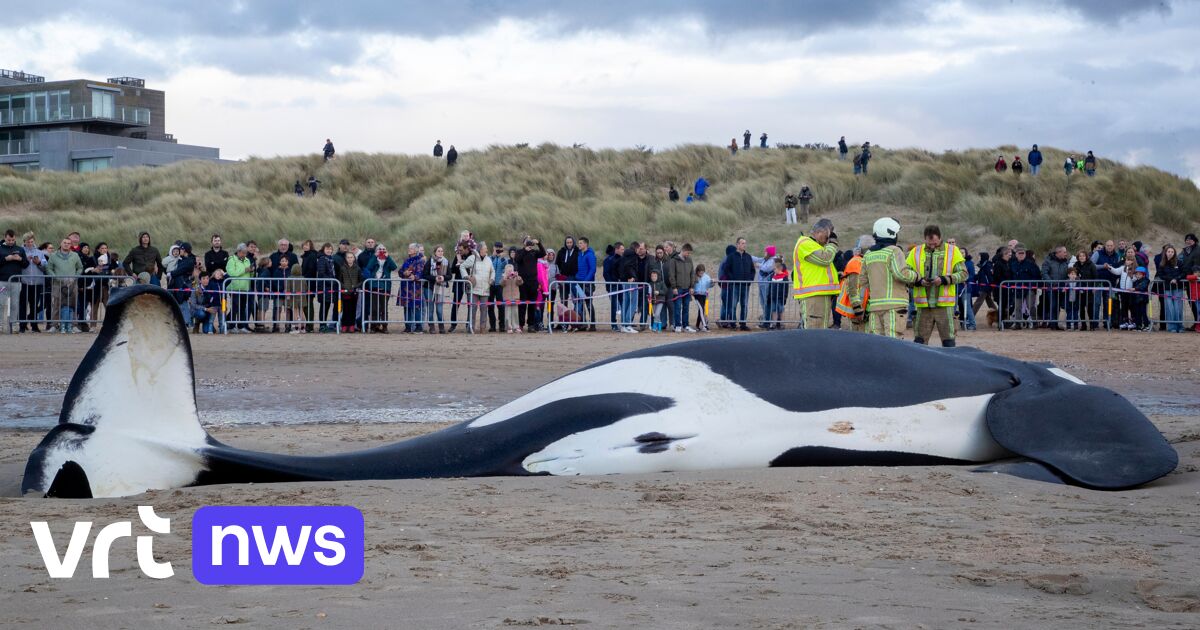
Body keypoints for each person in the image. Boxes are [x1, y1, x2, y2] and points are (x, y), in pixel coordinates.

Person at [906, 225, 966, 346]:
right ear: (924, 239)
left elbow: (964, 274)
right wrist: (919, 281)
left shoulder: (953, 251)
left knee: (949, 342)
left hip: (944, 306)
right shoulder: (915, 252)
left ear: (940, 237)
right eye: (929, 243)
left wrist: (944, 280)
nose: (932, 246)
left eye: (935, 243)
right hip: (923, 306)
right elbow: (906, 274)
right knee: (919, 342)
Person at [860, 218, 918, 338]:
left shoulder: (868, 254)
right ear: (891, 234)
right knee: (893, 343)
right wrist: (916, 276)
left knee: (877, 344)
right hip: (894, 306)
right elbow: (901, 274)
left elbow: (863, 280)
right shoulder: (894, 251)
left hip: (875, 306)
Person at [792, 219, 840, 330]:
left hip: (820, 295)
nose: (828, 240)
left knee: (821, 332)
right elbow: (826, 259)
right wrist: (833, 243)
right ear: (819, 232)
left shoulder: (816, 246)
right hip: (813, 296)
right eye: (827, 236)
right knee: (813, 332)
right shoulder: (805, 243)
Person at [835, 236, 871, 333]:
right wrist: (858, 310)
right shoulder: (856, 263)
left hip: (864, 309)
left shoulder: (864, 262)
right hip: (858, 312)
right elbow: (852, 290)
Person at [721, 237, 758, 331]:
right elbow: (726, 269)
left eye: (745, 243)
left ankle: (743, 324)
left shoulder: (748, 257)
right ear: (737, 245)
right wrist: (732, 279)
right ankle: (733, 324)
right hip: (735, 285)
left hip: (745, 286)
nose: (744, 245)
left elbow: (752, 270)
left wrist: (750, 280)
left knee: (744, 305)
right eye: (742, 243)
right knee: (733, 305)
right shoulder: (731, 256)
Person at [47, 237, 83, 333]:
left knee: (74, 304)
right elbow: (49, 269)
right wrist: (56, 277)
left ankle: (74, 325)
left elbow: (80, 268)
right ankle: (54, 325)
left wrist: (74, 278)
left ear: (70, 245)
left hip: (72, 284)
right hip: (57, 284)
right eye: (64, 242)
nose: (66, 244)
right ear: (61, 243)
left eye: (68, 243)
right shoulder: (53, 256)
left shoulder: (75, 255)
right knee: (56, 304)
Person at [363, 244, 397, 333]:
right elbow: (368, 267)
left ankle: (384, 326)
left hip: (385, 286)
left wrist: (388, 257)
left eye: (383, 249)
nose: (382, 250)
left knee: (384, 308)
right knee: (374, 308)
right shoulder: (374, 259)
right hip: (374, 285)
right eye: (380, 249)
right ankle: (374, 326)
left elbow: (394, 267)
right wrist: (375, 256)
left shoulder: (388, 260)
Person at [514, 237, 545, 331]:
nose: (529, 244)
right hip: (523, 282)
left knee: (532, 305)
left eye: (530, 242)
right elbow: (517, 260)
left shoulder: (534, 252)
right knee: (522, 304)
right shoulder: (520, 251)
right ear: (524, 243)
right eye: (527, 242)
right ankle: (521, 324)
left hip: (533, 282)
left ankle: (531, 325)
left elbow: (543, 253)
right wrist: (524, 250)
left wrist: (539, 243)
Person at [0, 229, 27, 334]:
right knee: (1, 304)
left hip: (16, 281)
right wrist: (6, 259)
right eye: (9, 239)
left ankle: (14, 326)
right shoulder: (0, 248)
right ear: (5, 237)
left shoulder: (20, 249)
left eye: (13, 240)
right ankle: (1, 326)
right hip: (2, 281)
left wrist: (20, 259)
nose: (11, 241)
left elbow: (26, 264)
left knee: (15, 304)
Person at [19, 232, 46, 333]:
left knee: (34, 304)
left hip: (36, 282)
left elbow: (45, 265)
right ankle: (22, 326)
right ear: (24, 242)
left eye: (31, 241)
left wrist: (38, 262)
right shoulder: (20, 251)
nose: (30, 243)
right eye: (28, 242)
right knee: (23, 305)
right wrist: (25, 259)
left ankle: (34, 326)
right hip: (24, 282)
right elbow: (18, 264)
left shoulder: (39, 252)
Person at [666, 242, 696, 333]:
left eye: (689, 253)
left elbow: (692, 274)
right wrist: (674, 287)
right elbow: (671, 275)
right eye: (688, 253)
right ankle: (677, 325)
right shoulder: (674, 260)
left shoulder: (689, 260)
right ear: (683, 250)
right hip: (678, 288)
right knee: (677, 307)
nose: (688, 254)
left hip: (687, 288)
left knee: (686, 307)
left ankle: (686, 325)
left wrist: (692, 286)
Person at [1009, 246, 1041, 328]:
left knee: (1031, 306)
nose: (1021, 255)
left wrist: (1032, 286)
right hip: (1018, 289)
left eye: (1023, 253)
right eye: (1019, 253)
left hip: (1029, 289)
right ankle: (1018, 323)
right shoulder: (1013, 264)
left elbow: (1037, 276)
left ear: (1025, 254)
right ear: (1016, 254)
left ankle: (1034, 322)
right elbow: (1010, 276)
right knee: (1017, 307)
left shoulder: (1031, 264)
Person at [1156, 245, 1187, 333]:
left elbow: (1184, 272)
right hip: (1167, 288)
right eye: (1168, 251)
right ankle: (1171, 327)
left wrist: (1176, 279)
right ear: (1165, 253)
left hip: (1178, 288)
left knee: (1178, 308)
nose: (1170, 253)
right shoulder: (1162, 264)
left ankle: (1179, 326)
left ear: (1174, 253)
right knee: (1170, 308)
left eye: (1172, 252)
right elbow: (1160, 274)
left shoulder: (1179, 262)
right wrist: (1170, 279)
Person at [1040, 246, 1071, 330]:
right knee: (1053, 305)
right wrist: (1051, 282)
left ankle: (1064, 324)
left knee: (1064, 306)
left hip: (1063, 288)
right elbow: (1044, 273)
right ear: (1058, 253)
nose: (1066, 253)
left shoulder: (1067, 262)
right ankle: (1053, 324)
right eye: (1064, 252)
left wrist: (1068, 282)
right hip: (1051, 288)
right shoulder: (1048, 261)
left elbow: (1070, 273)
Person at [225, 243, 254, 332]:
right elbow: (232, 273)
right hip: (234, 288)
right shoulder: (231, 260)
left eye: (245, 253)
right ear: (238, 251)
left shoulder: (247, 260)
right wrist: (245, 270)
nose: (244, 255)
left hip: (245, 288)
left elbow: (250, 275)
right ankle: (230, 325)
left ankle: (241, 326)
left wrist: (252, 271)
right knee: (235, 306)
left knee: (242, 307)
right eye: (243, 253)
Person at [448, 240, 476, 332]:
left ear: (466, 249)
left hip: (469, 283)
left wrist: (463, 263)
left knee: (470, 304)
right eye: (458, 250)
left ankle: (469, 325)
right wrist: (458, 265)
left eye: (461, 250)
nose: (459, 252)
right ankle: (453, 324)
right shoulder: (458, 256)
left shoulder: (473, 256)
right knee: (455, 303)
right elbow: (452, 270)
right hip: (459, 282)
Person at [399, 243, 426, 333]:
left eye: (411, 248)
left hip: (415, 288)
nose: (409, 249)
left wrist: (415, 276)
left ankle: (419, 327)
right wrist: (404, 273)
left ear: (415, 250)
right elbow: (400, 271)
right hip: (405, 287)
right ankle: (408, 327)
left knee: (416, 307)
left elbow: (420, 272)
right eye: (409, 248)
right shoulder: (407, 260)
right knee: (406, 307)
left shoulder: (420, 260)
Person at [1071, 249, 1100, 331]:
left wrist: (1094, 287)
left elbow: (1095, 277)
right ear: (1078, 257)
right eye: (1080, 256)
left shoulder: (1091, 265)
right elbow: (1074, 276)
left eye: (1083, 256)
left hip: (1089, 290)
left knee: (1090, 308)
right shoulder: (1076, 265)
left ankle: (1092, 325)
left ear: (1086, 257)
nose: (1082, 257)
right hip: (1079, 290)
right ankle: (1083, 325)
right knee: (1081, 308)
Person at [423, 245, 449, 333]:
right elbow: (425, 275)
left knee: (439, 309)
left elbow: (449, 275)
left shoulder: (446, 261)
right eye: (439, 251)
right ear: (435, 252)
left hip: (440, 288)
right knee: (430, 309)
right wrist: (434, 278)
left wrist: (443, 277)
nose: (440, 252)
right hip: (429, 288)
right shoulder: (429, 262)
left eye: (442, 251)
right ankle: (432, 327)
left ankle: (441, 327)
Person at [469, 242, 493, 333]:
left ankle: (483, 328)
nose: (487, 250)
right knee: (473, 309)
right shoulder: (473, 258)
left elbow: (492, 271)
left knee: (484, 309)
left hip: (485, 288)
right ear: (480, 249)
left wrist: (492, 279)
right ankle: (471, 327)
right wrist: (467, 277)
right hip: (474, 288)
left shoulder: (489, 259)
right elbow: (462, 267)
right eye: (485, 248)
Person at [315, 242, 337, 332]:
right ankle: (322, 325)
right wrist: (332, 281)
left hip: (332, 287)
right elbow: (321, 273)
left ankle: (331, 324)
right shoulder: (322, 259)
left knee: (331, 306)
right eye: (327, 249)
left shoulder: (331, 259)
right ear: (323, 250)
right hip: (324, 287)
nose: (329, 250)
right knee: (324, 306)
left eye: (330, 249)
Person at [336, 251, 361, 333]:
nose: (350, 259)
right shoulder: (342, 268)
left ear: (354, 258)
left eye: (351, 257)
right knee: (346, 309)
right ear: (346, 259)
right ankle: (344, 325)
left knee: (353, 310)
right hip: (345, 292)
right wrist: (344, 287)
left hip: (354, 292)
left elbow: (361, 281)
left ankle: (352, 326)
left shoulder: (358, 268)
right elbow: (339, 280)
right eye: (348, 257)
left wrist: (355, 287)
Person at [603, 243, 623, 331]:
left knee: (623, 303)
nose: (623, 251)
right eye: (622, 249)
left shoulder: (621, 259)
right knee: (614, 305)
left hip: (620, 285)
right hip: (613, 285)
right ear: (616, 249)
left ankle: (625, 322)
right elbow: (606, 273)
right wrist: (612, 283)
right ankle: (613, 323)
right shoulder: (608, 260)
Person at [756, 245, 777, 328]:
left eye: (765, 251)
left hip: (766, 284)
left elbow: (766, 269)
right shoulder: (766, 259)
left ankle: (767, 321)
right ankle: (765, 319)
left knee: (766, 303)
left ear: (769, 253)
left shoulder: (773, 260)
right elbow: (758, 259)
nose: (764, 253)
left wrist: (759, 265)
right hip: (762, 284)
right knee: (763, 302)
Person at [501, 263, 522, 333]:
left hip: (515, 298)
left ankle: (516, 327)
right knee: (507, 314)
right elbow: (501, 284)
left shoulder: (515, 277)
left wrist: (518, 277)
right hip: (507, 298)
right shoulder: (503, 277)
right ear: (506, 271)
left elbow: (520, 283)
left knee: (515, 313)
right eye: (508, 271)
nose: (510, 272)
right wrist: (505, 278)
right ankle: (508, 327)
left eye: (511, 270)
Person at [692, 264, 712, 331]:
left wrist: (712, 282)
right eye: (700, 272)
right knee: (701, 309)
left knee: (703, 310)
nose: (701, 274)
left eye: (702, 272)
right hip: (697, 295)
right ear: (697, 272)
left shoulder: (706, 277)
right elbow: (691, 285)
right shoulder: (694, 276)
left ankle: (697, 325)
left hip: (704, 295)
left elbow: (709, 285)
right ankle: (704, 325)